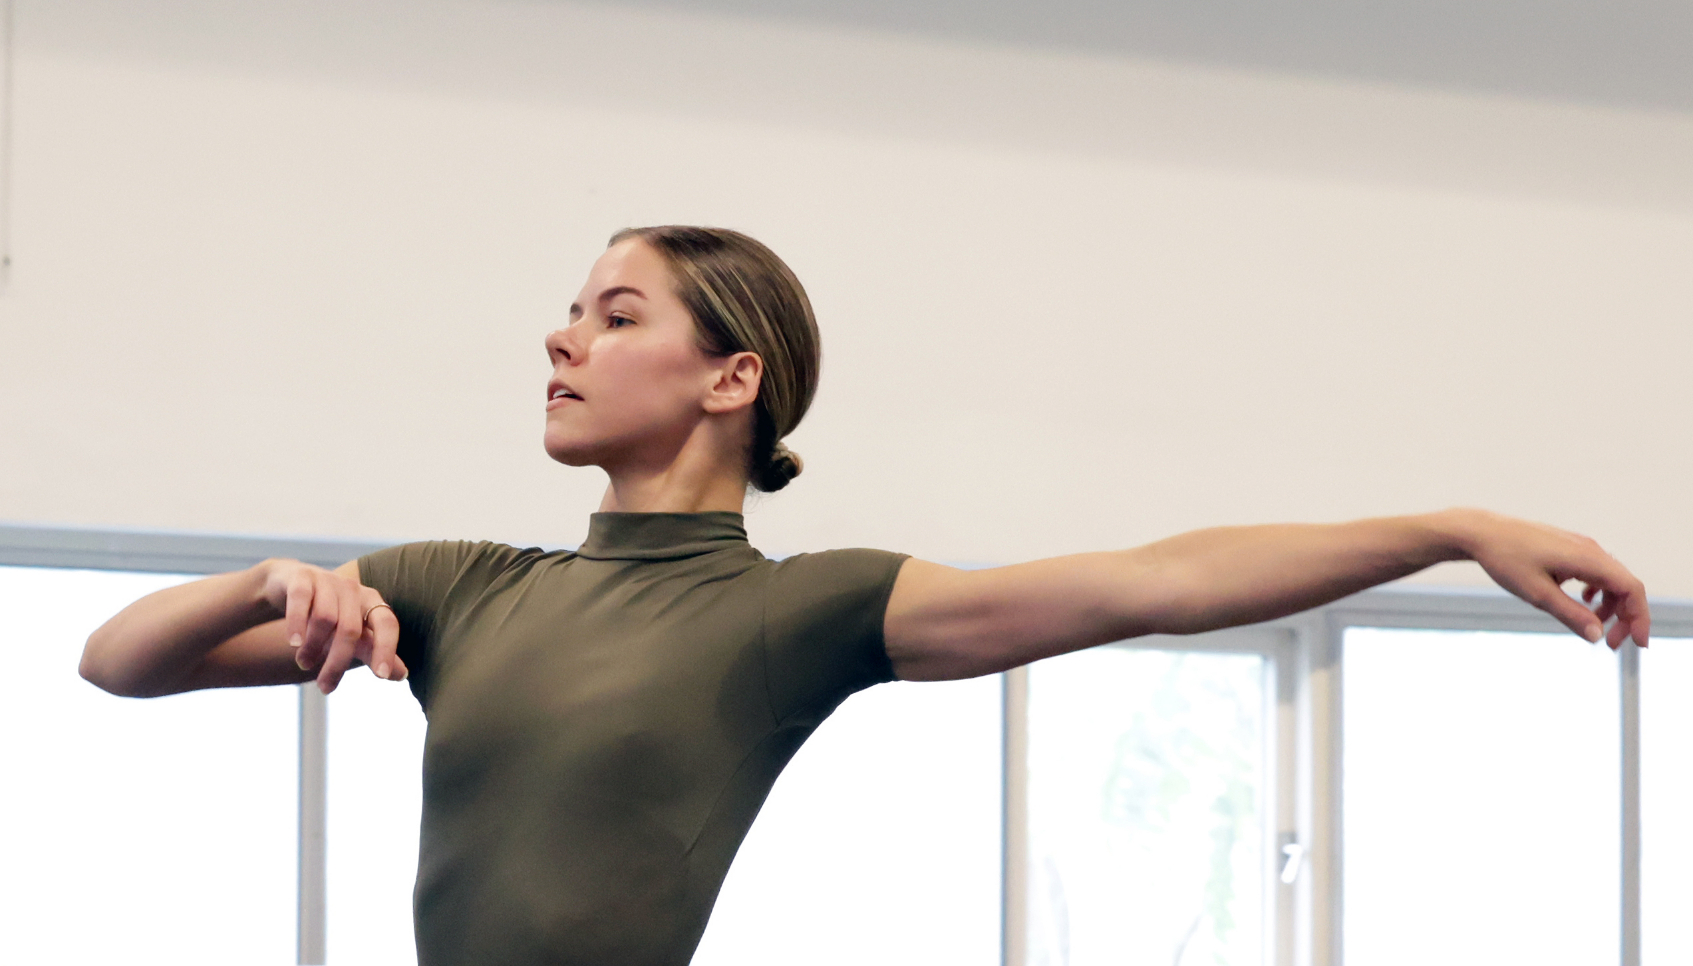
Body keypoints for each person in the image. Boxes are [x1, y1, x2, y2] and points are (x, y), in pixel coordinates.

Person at [79, 225, 1651, 966]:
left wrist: (1447, 528)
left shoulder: (793, 614)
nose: (561, 338)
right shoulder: (455, 587)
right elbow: (118, 661)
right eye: (566, 312)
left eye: (613, 314)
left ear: (729, 378)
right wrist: (269, 579)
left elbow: (1160, 582)